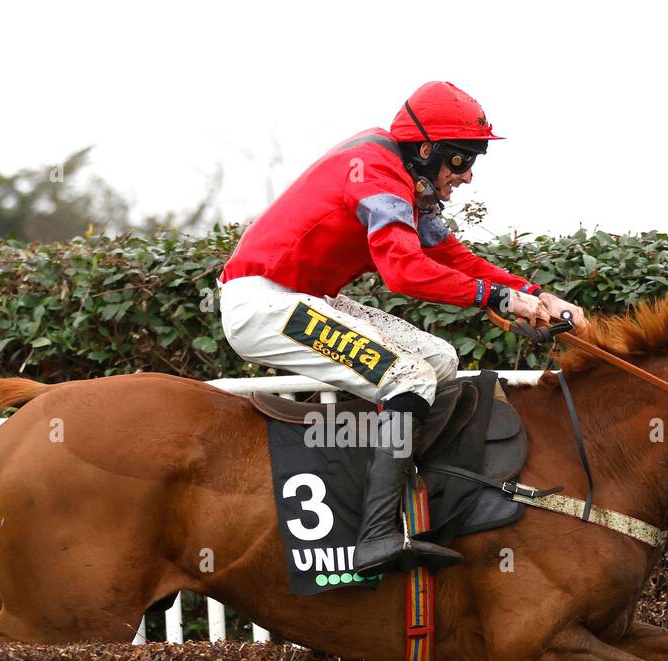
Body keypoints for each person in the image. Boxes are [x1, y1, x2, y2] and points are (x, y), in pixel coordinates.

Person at [219, 80, 588, 576]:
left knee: (439, 360)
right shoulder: (378, 172)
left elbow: (449, 256)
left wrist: (534, 292)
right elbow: (404, 271)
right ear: (427, 148)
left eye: (474, 159)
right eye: (461, 160)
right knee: (409, 377)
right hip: (261, 304)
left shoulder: (403, 172)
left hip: (301, 297)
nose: (468, 176)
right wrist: (497, 298)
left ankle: (403, 488)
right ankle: (373, 536)